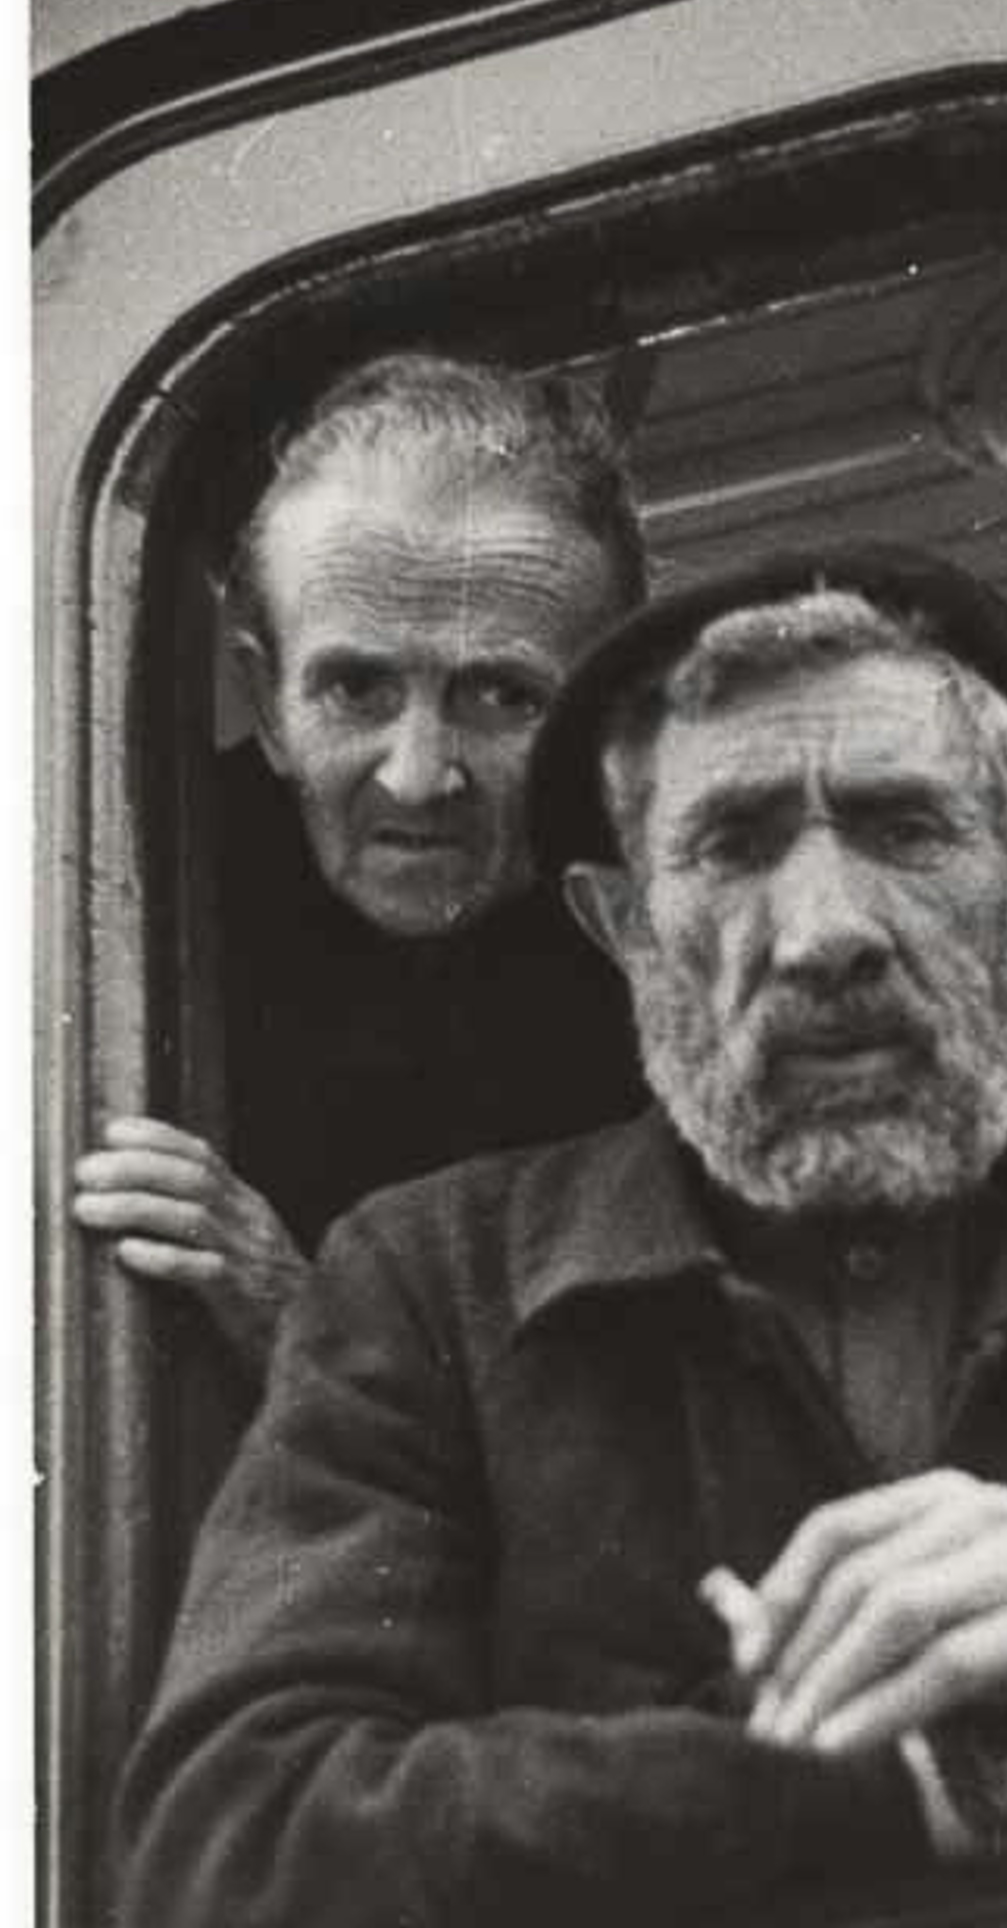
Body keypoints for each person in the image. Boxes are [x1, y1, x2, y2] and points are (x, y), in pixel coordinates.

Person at [117, 544, 1007, 1928]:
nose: (821, 933)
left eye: (904, 827)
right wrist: (858, 1784)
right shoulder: (425, 1285)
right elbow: (230, 1871)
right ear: (619, 929)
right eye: (729, 845)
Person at [71, 351, 648, 1376]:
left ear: (603, 718)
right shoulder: (110, 881)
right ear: (268, 705)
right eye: (356, 690)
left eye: (503, 696)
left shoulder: (671, 967)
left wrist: (305, 1315)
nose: (420, 777)